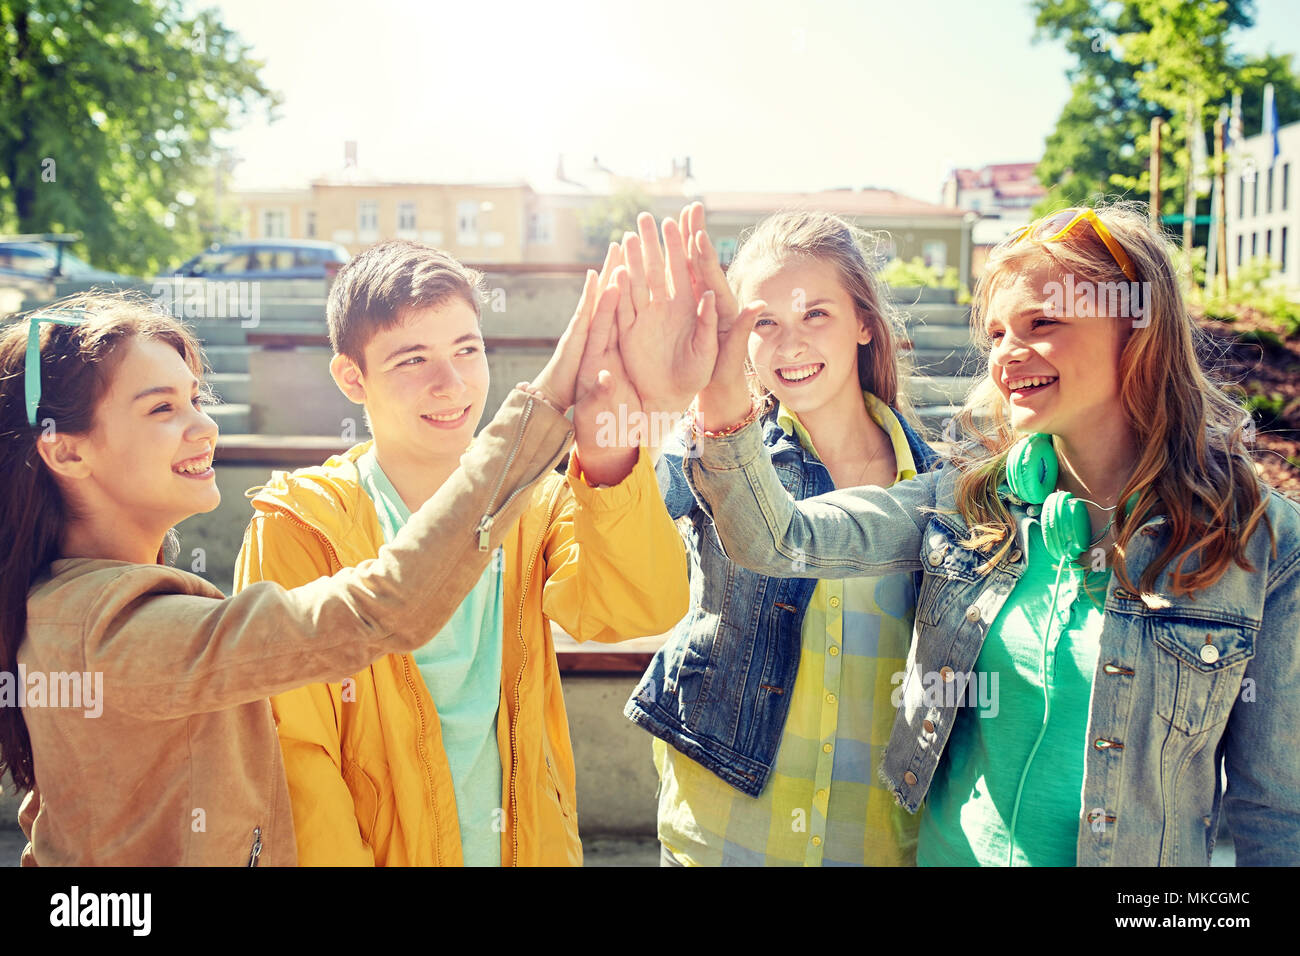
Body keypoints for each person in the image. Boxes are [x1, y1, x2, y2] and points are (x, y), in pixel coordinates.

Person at [676, 203, 1300, 866]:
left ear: (1137, 330)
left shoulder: (1264, 545)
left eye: (1043, 323)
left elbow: (1277, 816)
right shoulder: (966, 504)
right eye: (998, 333)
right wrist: (721, 395)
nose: (1006, 355)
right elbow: (778, 541)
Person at [0, 275, 623, 865]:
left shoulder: (75, 608)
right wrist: (545, 408)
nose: (205, 425)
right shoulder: (105, 627)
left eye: (195, 398)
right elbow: (383, 608)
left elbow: (57, 812)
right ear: (66, 448)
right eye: (162, 409)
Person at [233, 240, 689, 866]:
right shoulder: (303, 524)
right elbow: (295, 755)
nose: (450, 384)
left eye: (466, 350)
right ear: (351, 377)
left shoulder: (536, 504)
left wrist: (611, 454)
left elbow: (640, 607)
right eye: (412, 359)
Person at [616, 204, 939, 865]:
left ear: (865, 325)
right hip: (724, 833)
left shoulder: (938, 482)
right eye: (764, 322)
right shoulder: (708, 448)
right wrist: (647, 405)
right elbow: (620, 548)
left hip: (876, 839)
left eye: (815, 314)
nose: (790, 344)